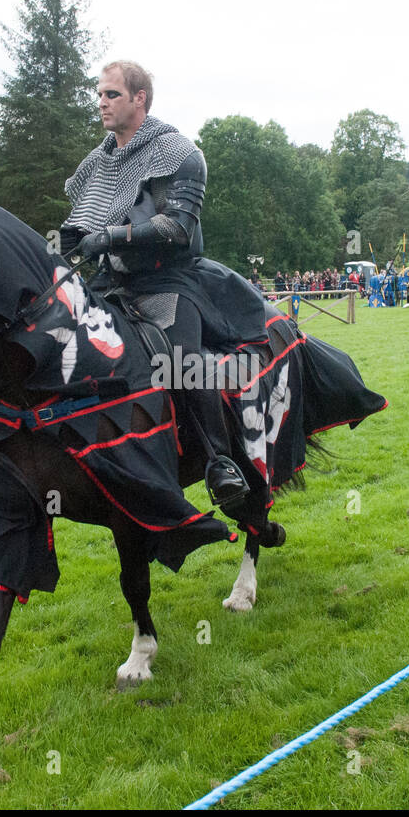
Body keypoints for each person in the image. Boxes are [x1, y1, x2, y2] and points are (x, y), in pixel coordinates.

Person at [60, 60, 266, 510]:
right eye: (99, 94)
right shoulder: (97, 163)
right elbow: (76, 229)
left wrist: (112, 236)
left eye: (112, 94)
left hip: (170, 281)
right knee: (59, 340)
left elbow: (177, 227)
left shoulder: (177, 151)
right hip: (110, 281)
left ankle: (219, 462)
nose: (101, 102)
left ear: (140, 99)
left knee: (181, 362)